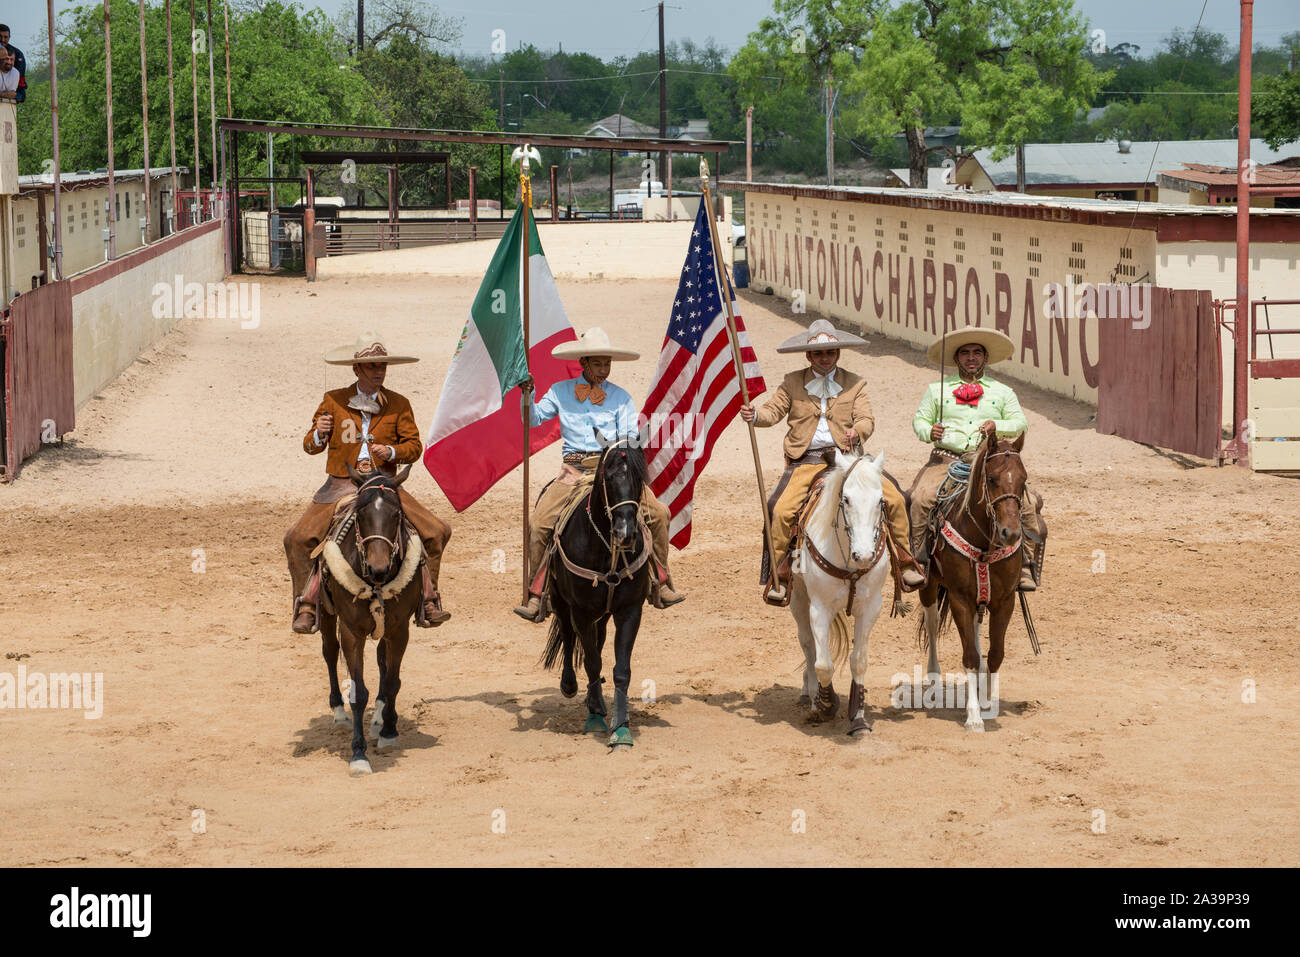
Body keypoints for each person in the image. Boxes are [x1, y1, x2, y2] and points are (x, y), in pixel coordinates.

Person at [740, 318, 925, 602]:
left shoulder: (855, 383)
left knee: (898, 499)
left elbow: (867, 419)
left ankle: (905, 560)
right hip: (807, 461)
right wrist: (756, 416)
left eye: (829, 353)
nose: (824, 358)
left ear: (838, 353)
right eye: (818, 354)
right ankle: (781, 573)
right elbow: (772, 411)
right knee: (778, 509)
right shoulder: (792, 382)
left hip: (850, 459)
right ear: (808, 355)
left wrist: (858, 430)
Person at [284, 333, 452, 634]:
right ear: (356, 370)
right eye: (372, 366)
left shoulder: (399, 404)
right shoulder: (333, 400)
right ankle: (307, 604)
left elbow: (414, 447)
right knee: (297, 538)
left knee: (436, 531)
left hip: (384, 483)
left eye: (382, 366)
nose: (378, 371)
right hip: (340, 483)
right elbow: (310, 446)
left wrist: (392, 452)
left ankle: (429, 598)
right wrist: (320, 433)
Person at [514, 326, 684, 622]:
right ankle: (537, 593)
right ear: (583, 363)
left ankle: (659, 582)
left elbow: (631, 437)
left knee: (659, 514)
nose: (603, 370)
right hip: (574, 471)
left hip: (613, 470)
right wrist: (527, 395)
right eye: (597, 363)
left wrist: (618, 461)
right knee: (540, 523)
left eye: (607, 364)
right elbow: (532, 419)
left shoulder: (620, 397)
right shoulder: (560, 391)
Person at [907, 326, 1045, 590]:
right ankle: (919, 559)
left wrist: (998, 426)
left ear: (985, 358)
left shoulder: (1002, 391)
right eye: (965, 353)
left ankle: (1025, 563)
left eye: (977, 353)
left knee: (1026, 502)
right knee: (920, 498)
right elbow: (919, 420)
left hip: (989, 461)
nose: (971, 357)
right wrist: (929, 431)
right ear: (957, 358)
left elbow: (1021, 423)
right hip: (946, 459)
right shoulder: (936, 389)